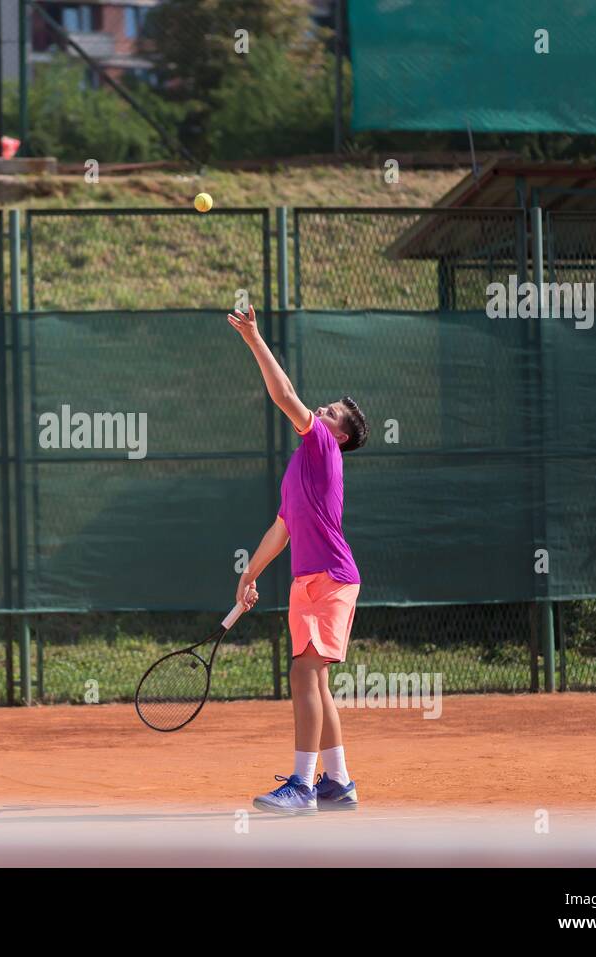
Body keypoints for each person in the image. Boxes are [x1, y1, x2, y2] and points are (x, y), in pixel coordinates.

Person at [226, 305, 368, 815]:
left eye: (330, 411)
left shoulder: (324, 445)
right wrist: (251, 572)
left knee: (302, 676)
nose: (320, 412)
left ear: (341, 435)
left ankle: (304, 786)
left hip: (331, 580)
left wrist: (253, 338)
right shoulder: (299, 467)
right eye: (324, 409)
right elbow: (282, 528)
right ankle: (339, 782)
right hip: (305, 582)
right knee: (317, 680)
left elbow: (284, 396)